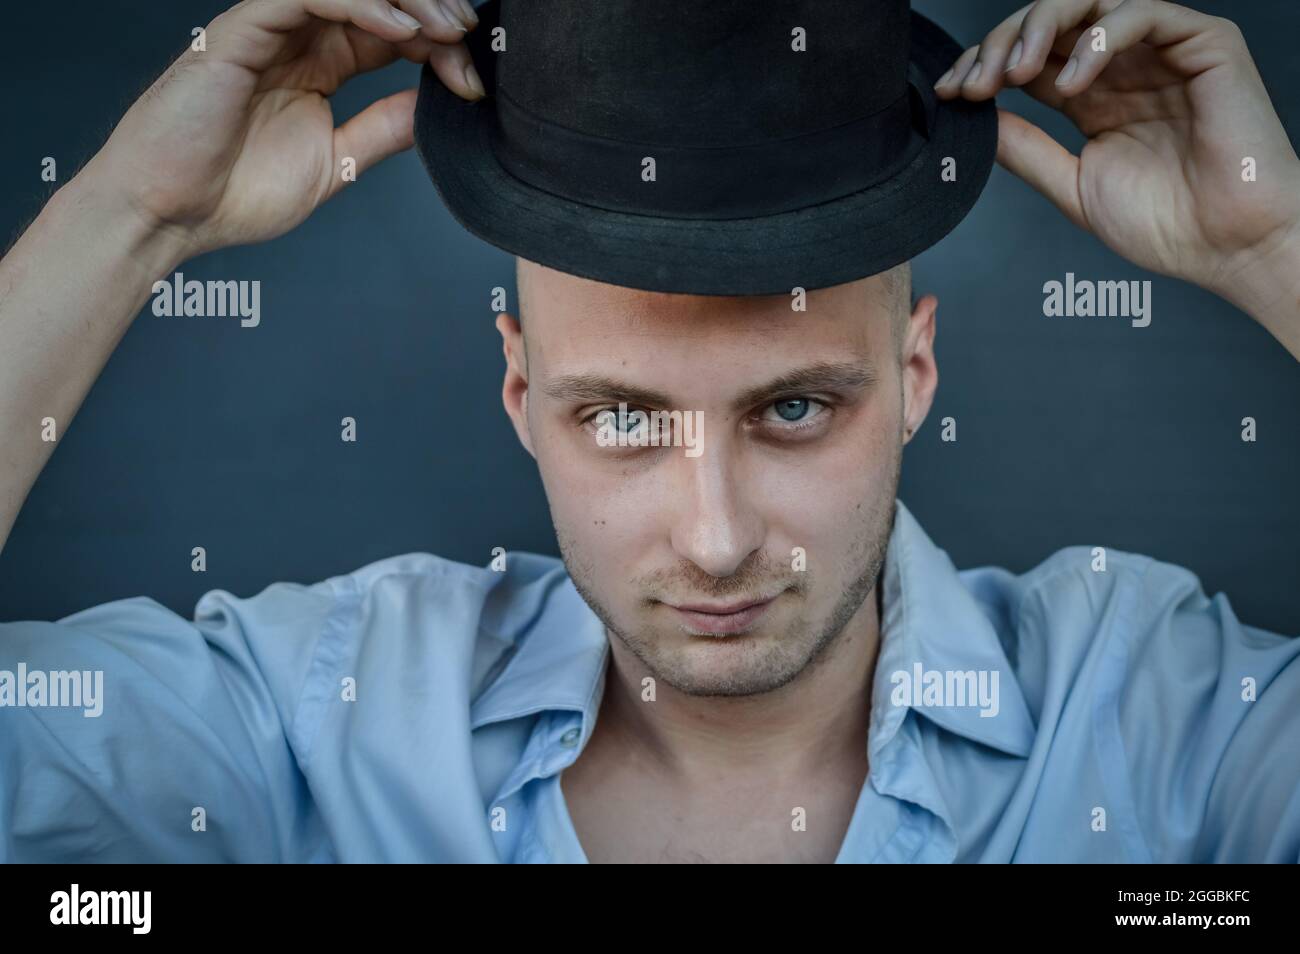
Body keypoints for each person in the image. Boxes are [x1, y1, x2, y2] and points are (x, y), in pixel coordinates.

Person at [0, 0, 1296, 863]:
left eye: (794, 408)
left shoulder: (1158, 721)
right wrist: (132, 216)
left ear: (913, 372)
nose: (716, 538)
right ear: (521, 395)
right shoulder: (318, 721)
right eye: (620, 416)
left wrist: (1276, 243)